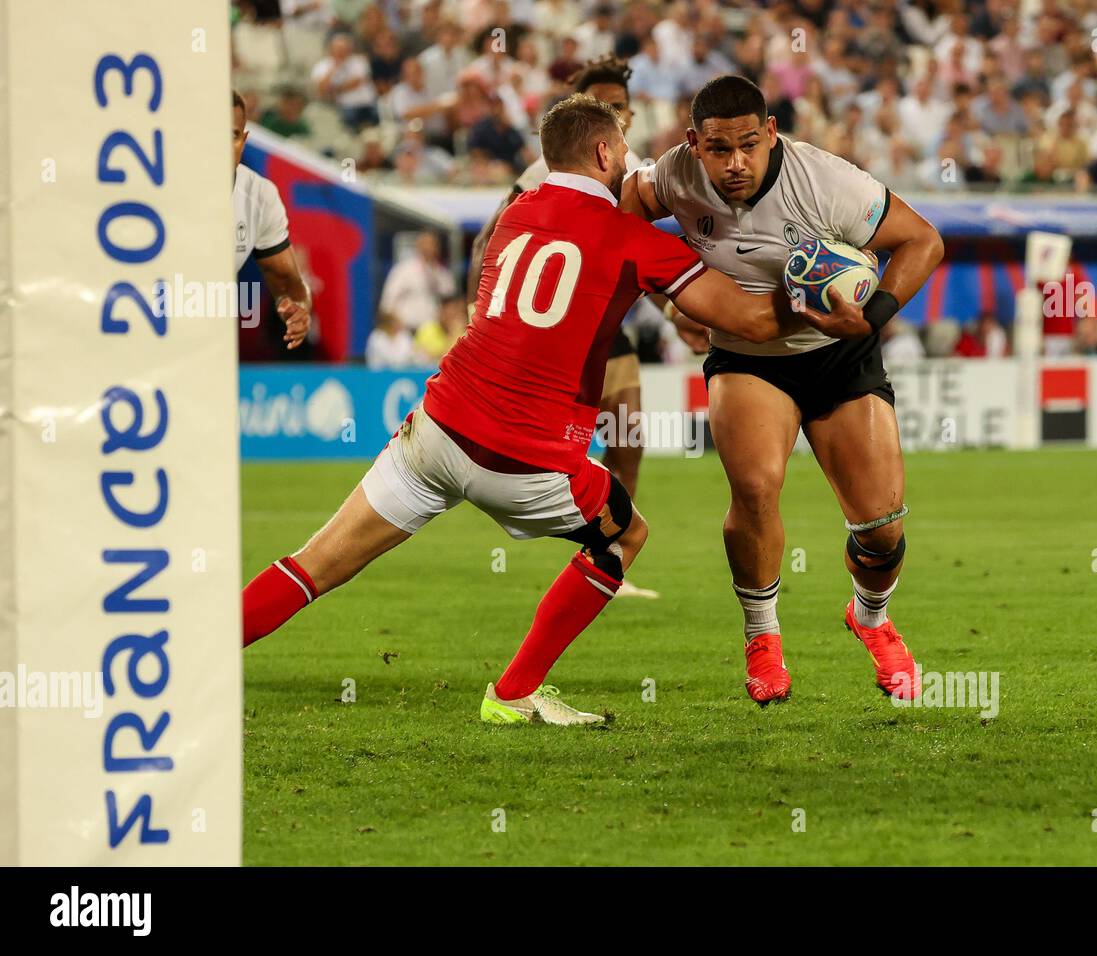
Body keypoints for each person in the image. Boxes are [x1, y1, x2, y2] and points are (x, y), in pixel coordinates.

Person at [240, 94, 867, 726]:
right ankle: (514, 693)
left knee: (314, 563)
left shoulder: (518, 211)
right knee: (626, 535)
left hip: (435, 427)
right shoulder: (632, 239)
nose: (630, 160)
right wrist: (826, 301)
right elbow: (755, 320)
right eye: (622, 148)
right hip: (526, 458)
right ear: (601, 153)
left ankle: (195, 661)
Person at [622, 75, 944, 705]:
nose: (735, 162)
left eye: (749, 144)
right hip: (746, 357)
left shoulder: (828, 182)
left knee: (880, 525)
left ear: (771, 134)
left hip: (839, 353)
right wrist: (669, 296)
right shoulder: (673, 176)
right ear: (694, 144)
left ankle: (871, 618)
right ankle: (762, 635)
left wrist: (872, 316)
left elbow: (923, 240)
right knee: (754, 487)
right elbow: (624, 213)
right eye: (718, 149)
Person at [470, 56, 660, 598]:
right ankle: (593, 540)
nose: (615, 117)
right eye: (604, 108)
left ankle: (609, 552)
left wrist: (678, 315)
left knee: (629, 434)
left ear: (632, 112)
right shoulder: (551, 173)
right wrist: (474, 313)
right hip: (553, 330)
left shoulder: (638, 170)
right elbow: (489, 240)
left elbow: (643, 262)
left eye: (619, 107)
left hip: (605, 327)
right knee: (556, 447)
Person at [232, 90, 311, 351]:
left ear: (243, 141)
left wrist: (298, 311)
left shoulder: (260, 195)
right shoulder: (162, 188)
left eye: (232, 136)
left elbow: (288, 284)